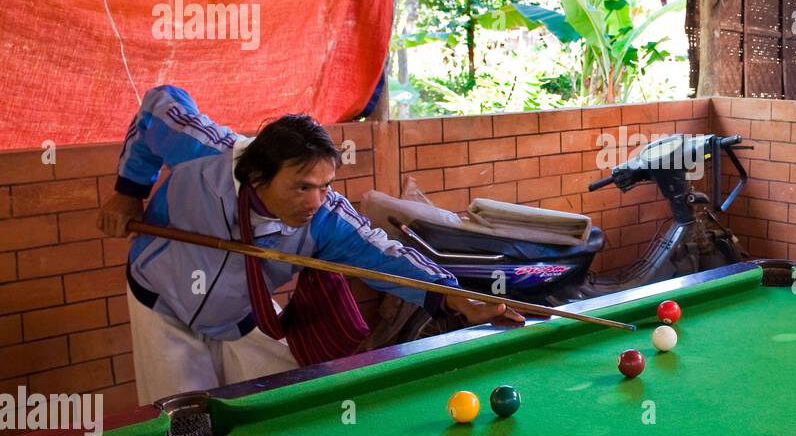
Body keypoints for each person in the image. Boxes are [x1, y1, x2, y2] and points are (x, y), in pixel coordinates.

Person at [98, 85, 522, 404]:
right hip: (162, 301)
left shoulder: (325, 219)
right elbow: (159, 104)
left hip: (241, 311)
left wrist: (452, 295)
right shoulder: (205, 155)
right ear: (259, 176)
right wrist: (128, 190)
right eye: (302, 187)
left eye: (325, 186)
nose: (315, 202)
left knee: (291, 396)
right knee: (185, 417)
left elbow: (385, 255)